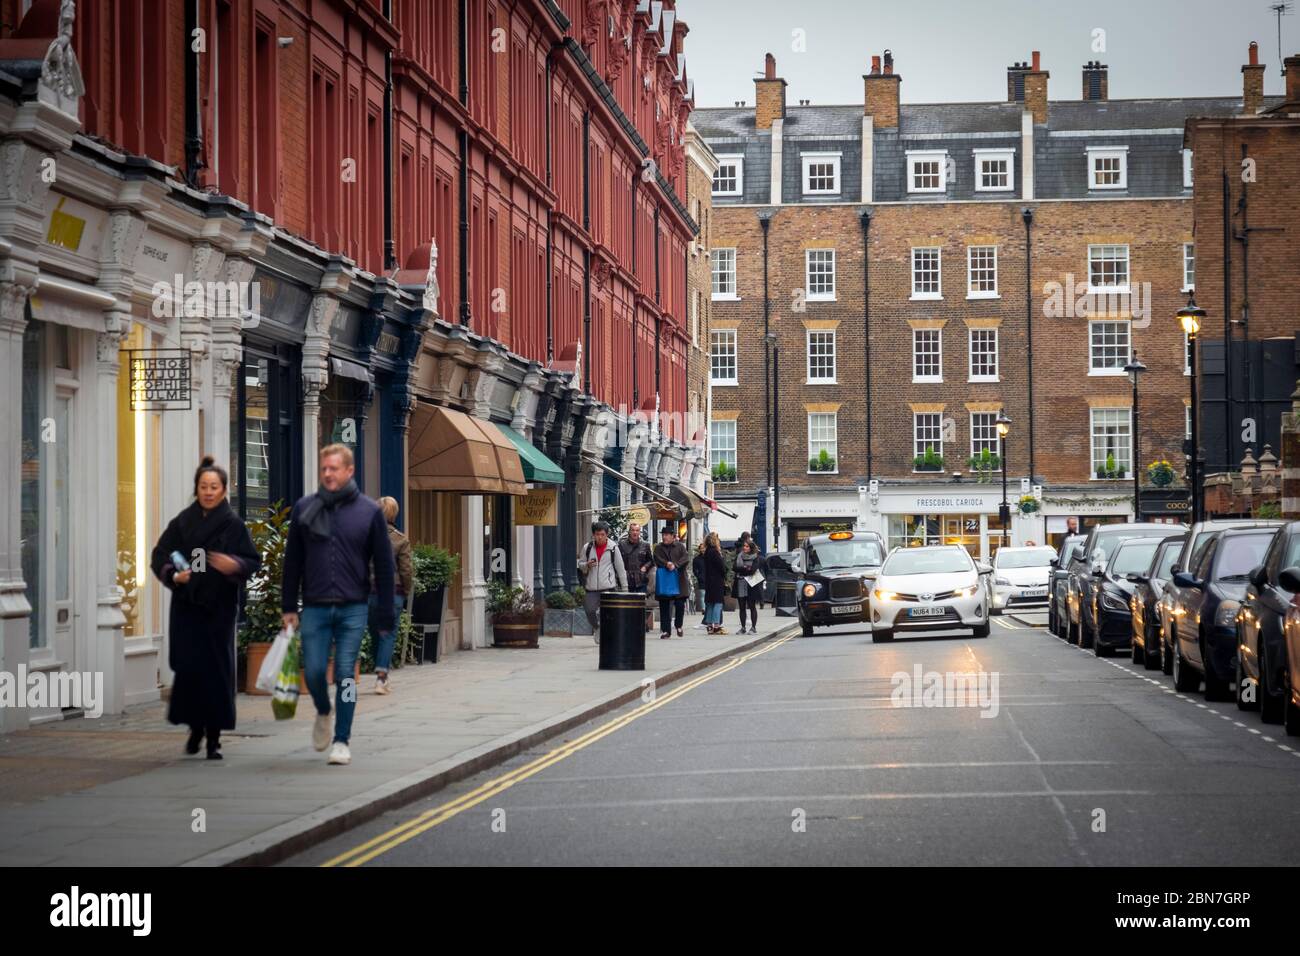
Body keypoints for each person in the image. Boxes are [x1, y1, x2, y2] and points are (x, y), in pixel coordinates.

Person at [282, 444, 395, 767]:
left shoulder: (368, 512)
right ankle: (323, 709)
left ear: (349, 471)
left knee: (345, 674)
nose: (328, 474)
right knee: (315, 672)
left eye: (334, 468)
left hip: (353, 607)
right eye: (324, 469)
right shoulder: (305, 508)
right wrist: (289, 606)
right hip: (315, 606)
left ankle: (342, 739)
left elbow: (384, 566)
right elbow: (293, 562)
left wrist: (385, 613)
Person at [151, 456, 261, 760]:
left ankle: (214, 737)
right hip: (187, 608)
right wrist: (174, 574)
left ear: (224, 490)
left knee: (216, 672)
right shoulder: (182, 522)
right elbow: (161, 552)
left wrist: (233, 564)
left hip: (218, 611)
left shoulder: (233, 525)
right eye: (203, 486)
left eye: (214, 487)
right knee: (189, 670)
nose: (208, 492)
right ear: (197, 489)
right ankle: (194, 727)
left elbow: (252, 561)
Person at [370, 496, 413, 695]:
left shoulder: (365, 537)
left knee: (374, 634)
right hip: (393, 593)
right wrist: (407, 589)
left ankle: (379, 670)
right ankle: (381, 677)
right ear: (394, 514)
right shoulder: (400, 539)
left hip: (369, 593)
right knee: (387, 635)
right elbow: (406, 570)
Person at [578, 521, 627, 645]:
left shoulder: (613, 548)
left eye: (602, 534)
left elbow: (620, 569)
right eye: (597, 534)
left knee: (609, 614)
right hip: (591, 587)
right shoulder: (587, 547)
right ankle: (597, 627)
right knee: (589, 610)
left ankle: (608, 635)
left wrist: (625, 589)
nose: (599, 537)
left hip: (608, 587)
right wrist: (587, 565)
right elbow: (580, 564)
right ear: (593, 535)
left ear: (607, 534)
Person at [653, 526, 689, 639]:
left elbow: (686, 558)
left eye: (666, 535)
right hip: (665, 579)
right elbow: (656, 558)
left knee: (679, 605)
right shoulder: (658, 548)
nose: (664, 537)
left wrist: (675, 565)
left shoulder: (680, 547)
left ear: (673, 536)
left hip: (679, 580)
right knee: (664, 606)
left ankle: (678, 625)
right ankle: (666, 631)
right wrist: (666, 564)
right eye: (663, 534)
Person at [733, 538, 765, 634]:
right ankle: (743, 628)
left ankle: (753, 627)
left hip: (751, 585)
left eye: (747, 546)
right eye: (744, 546)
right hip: (740, 583)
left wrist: (742, 568)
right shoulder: (739, 556)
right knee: (742, 607)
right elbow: (734, 568)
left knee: (752, 606)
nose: (745, 548)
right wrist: (746, 568)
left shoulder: (756, 557)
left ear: (751, 548)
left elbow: (753, 570)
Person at [702, 532, 728, 635]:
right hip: (717, 581)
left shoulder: (707, 552)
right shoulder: (715, 552)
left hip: (709, 580)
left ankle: (709, 626)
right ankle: (717, 625)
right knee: (718, 603)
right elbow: (722, 567)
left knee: (710, 603)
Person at [691, 541, 709, 628]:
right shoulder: (696, 559)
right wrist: (698, 576)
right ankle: (703, 609)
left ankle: (706, 608)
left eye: (704, 548)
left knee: (707, 594)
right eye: (701, 548)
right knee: (702, 594)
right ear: (699, 549)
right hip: (701, 578)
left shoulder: (709, 557)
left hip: (709, 578)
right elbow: (695, 569)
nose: (703, 549)